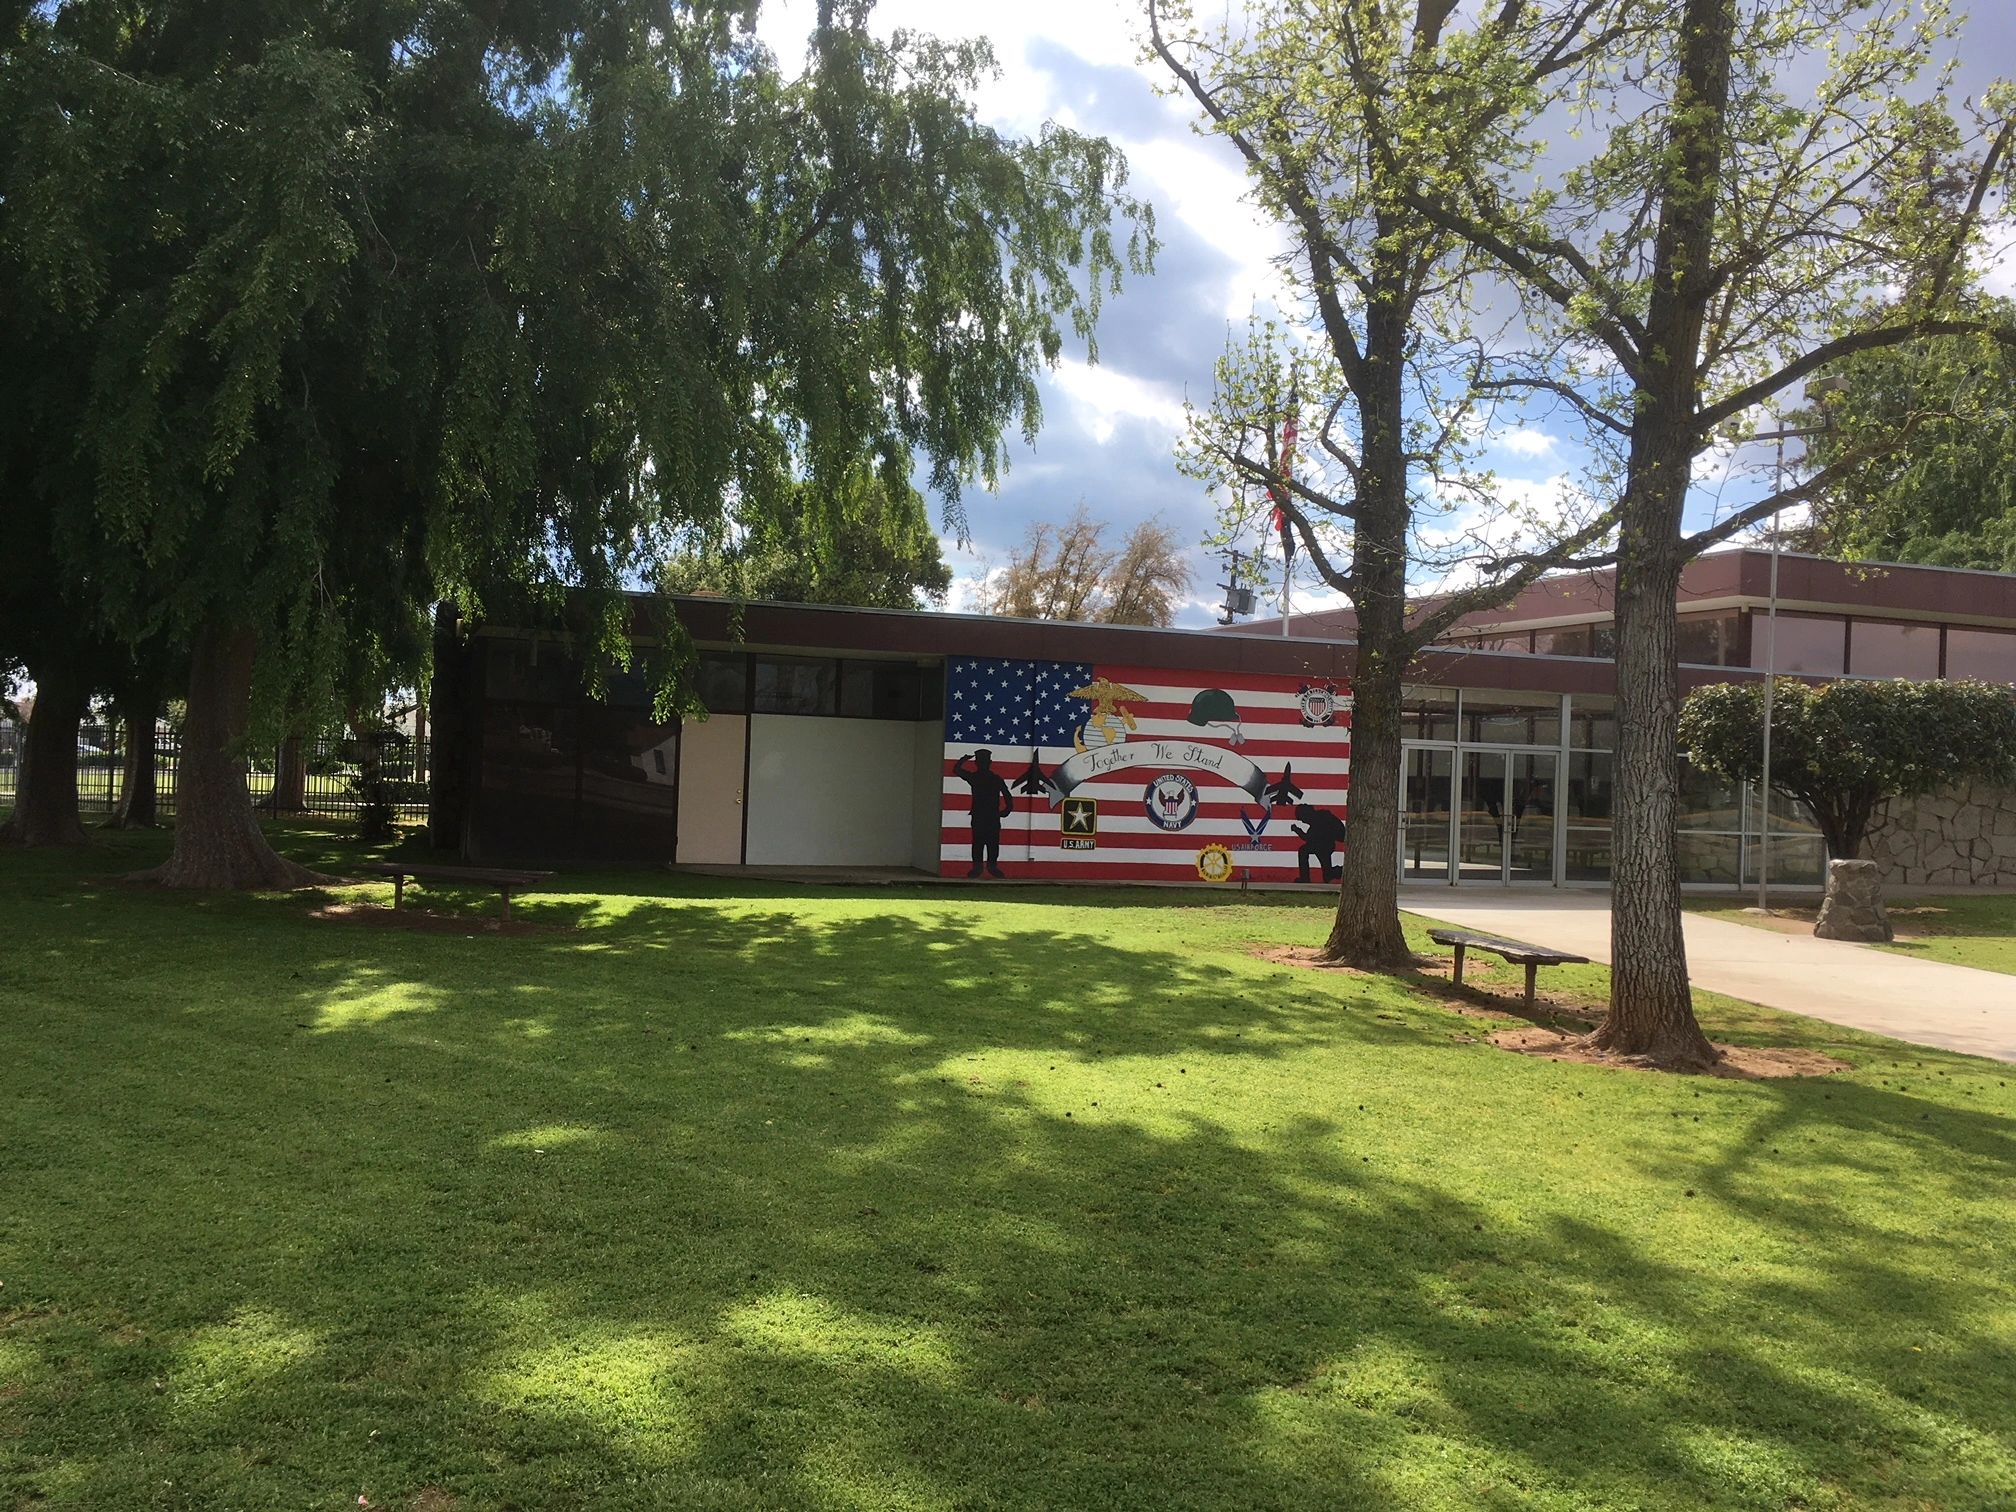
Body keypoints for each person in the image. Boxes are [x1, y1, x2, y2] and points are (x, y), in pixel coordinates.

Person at [953, 749, 1014, 878]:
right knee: (982, 842)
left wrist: (963, 760)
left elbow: (1008, 796)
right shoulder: (987, 778)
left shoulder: (978, 778)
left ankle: (988, 866)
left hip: (987, 816)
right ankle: (981, 867)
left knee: (986, 842)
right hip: (986, 816)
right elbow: (1007, 796)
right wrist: (1006, 810)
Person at [1291, 803, 1347, 884]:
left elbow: (1309, 838)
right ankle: (1341, 871)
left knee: (1303, 851)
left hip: (1324, 846)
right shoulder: (1319, 818)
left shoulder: (1320, 819)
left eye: (1303, 819)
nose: (1303, 822)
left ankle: (1305, 878)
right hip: (1323, 846)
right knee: (1328, 875)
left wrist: (1297, 830)